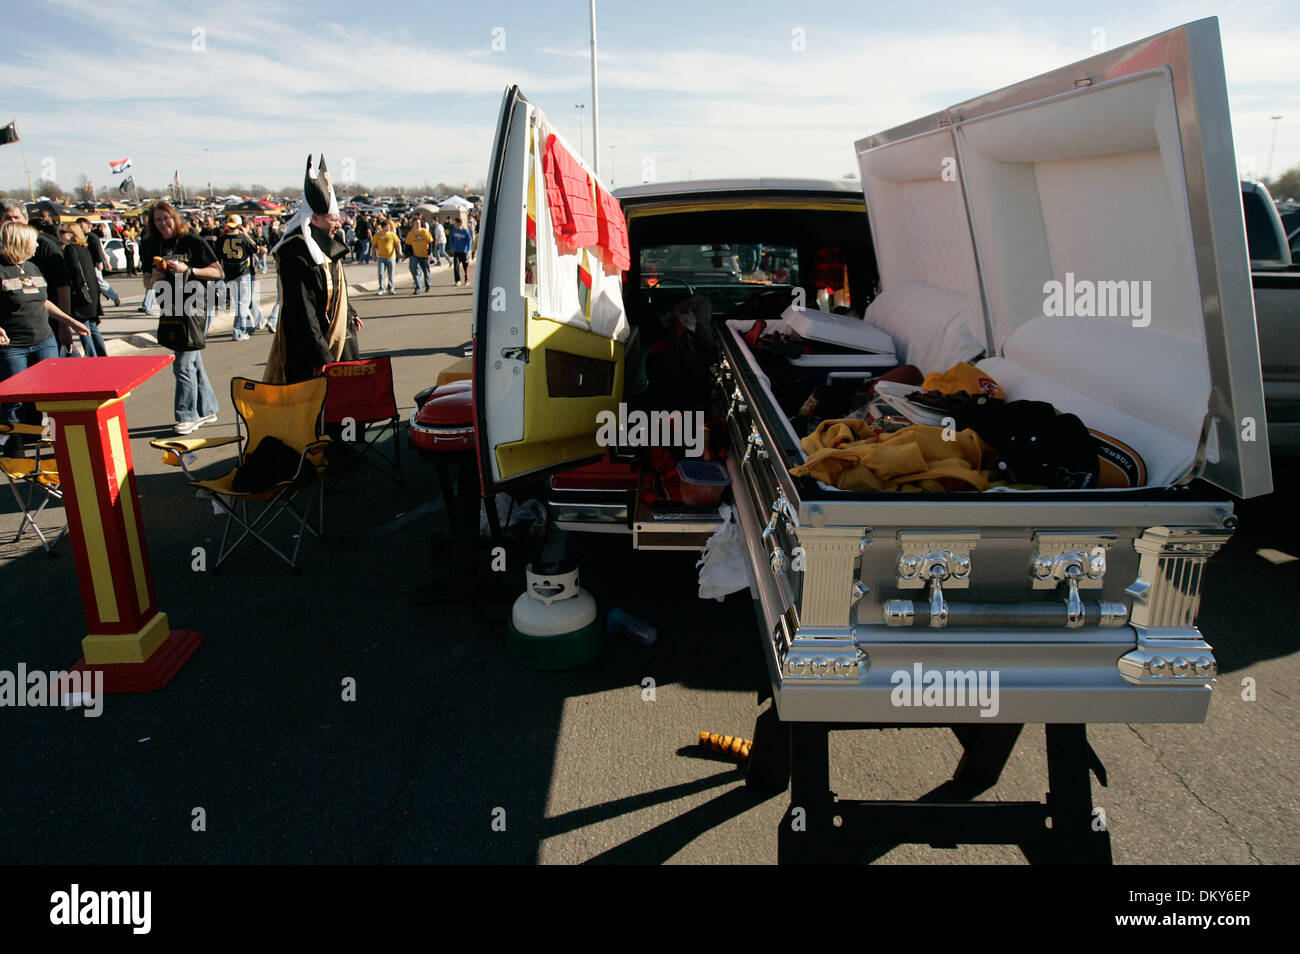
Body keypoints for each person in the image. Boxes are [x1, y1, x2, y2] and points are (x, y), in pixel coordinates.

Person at [265, 154, 361, 384]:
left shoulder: (329, 243)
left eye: (339, 219)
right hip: (311, 350)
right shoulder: (296, 254)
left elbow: (338, 286)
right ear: (314, 219)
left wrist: (350, 312)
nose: (338, 224)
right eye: (333, 219)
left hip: (337, 338)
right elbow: (302, 310)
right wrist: (320, 356)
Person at [0, 222, 90, 457]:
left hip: (44, 340)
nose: (37, 245)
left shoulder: (33, 268)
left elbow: (43, 301)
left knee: (53, 396)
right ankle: (14, 450)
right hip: (13, 347)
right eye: (33, 241)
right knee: (13, 401)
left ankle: (56, 444)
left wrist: (69, 321)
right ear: (19, 243)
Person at [140, 200, 223, 435]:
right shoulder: (150, 244)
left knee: (183, 364)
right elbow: (146, 282)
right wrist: (154, 277)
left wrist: (189, 270)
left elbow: (217, 272)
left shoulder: (191, 240)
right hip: (170, 306)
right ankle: (207, 408)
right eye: (158, 220)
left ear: (174, 218)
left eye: (166, 217)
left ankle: (187, 415)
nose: (163, 223)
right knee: (193, 360)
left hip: (195, 304)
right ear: (152, 224)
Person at [1, 199, 73, 350]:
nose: (12, 222)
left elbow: (63, 287)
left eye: (16, 217)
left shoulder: (44, 247)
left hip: (45, 329)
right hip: (10, 339)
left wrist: (64, 326)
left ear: (26, 219)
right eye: (8, 218)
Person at [61, 222, 108, 356]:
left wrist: (74, 288)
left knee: (83, 327)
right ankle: (101, 354)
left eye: (63, 232)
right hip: (92, 291)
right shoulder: (84, 248)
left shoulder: (70, 249)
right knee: (92, 326)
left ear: (72, 234)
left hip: (81, 292)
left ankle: (91, 355)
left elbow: (75, 270)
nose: (60, 235)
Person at [218, 214, 265, 340]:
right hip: (243, 273)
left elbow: (219, 257)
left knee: (240, 303)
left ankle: (254, 322)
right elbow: (256, 249)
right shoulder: (243, 238)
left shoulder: (221, 239)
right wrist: (246, 234)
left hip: (229, 274)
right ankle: (238, 331)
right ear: (239, 226)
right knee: (242, 304)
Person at [76, 217, 121, 307]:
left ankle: (114, 296)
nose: (80, 228)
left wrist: (99, 262)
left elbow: (98, 250)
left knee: (100, 281)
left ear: (87, 225)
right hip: (87, 264)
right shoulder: (81, 237)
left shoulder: (92, 236)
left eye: (82, 225)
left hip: (94, 263)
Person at [371, 218, 400, 294]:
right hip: (381, 257)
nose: (388, 228)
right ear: (383, 227)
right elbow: (373, 246)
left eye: (389, 227)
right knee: (381, 273)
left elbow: (397, 244)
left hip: (391, 257)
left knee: (391, 274)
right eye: (387, 227)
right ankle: (381, 288)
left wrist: (400, 252)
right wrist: (373, 255)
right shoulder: (378, 235)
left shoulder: (393, 235)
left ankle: (391, 288)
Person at [405, 218, 433, 293]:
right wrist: (408, 254)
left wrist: (429, 253)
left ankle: (428, 285)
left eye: (419, 223)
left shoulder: (425, 232)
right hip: (415, 255)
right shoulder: (411, 233)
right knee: (414, 270)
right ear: (413, 224)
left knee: (426, 271)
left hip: (424, 255)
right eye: (416, 223)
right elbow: (408, 244)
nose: (418, 224)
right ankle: (418, 287)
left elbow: (430, 242)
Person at [448, 217, 472, 286]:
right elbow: (451, 239)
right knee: (456, 266)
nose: (454, 224)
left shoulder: (465, 231)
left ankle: (467, 280)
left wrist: (468, 250)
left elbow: (469, 241)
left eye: (455, 222)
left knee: (465, 266)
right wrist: (452, 247)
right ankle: (457, 280)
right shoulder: (454, 231)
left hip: (464, 252)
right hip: (457, 252)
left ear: (459, 223)